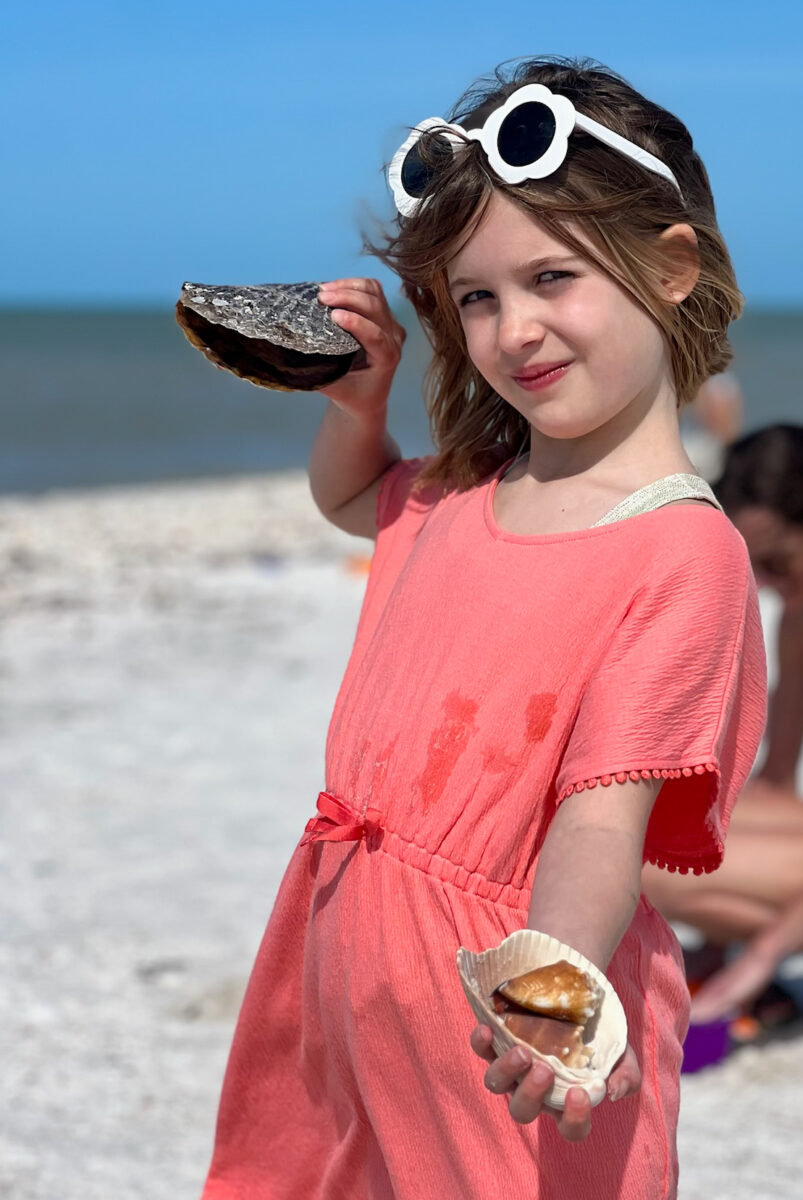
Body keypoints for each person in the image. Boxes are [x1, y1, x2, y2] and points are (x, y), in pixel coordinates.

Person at [198, 58, 766, 1199]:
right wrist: (358, 407)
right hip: (344, 945)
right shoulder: (469, 482)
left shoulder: (681, 554)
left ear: (669, 267)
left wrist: (546, 999)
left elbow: (601, 827)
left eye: (553, 277)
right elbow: (357, 501)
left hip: (501, 1011)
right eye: (477, 297)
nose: (515, 331)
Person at [644, 424, 803, 1043]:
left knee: (649, 865)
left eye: (778, 559)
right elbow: (776, 780)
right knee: (662, 833)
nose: (764, 580)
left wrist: (763, 957)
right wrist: (720, 940)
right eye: (752, 562)